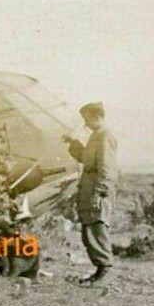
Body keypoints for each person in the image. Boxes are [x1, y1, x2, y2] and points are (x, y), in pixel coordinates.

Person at [62, 102, 118, 285]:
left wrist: (100, 192)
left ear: (96, 116)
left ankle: (105, 271)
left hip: (96, 190)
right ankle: (101, 270)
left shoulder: (105, 136)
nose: (84, 123)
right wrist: (73, 143)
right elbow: (87, 159)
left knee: (97, 229)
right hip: (90, 188)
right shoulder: (96, 136)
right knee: (90, 230)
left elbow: (107, 168)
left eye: (86, 118)